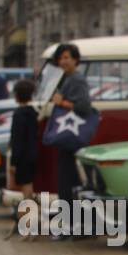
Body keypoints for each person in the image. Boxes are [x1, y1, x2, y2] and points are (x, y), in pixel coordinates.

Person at [48, 42, 92, 208]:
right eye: (60, 58)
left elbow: (84, 106)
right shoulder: (68, 78)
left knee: (68, 181)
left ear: (76, 60)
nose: (63, 62)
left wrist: (63, 103)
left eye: (66, 57)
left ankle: (72, 224)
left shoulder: (77, 80)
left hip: (72, 137)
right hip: (68, 137)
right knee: (67, 181)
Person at [8, 78, 39, 239]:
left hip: (23, 157)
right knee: (30, 189)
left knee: (26, 193)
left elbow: (17, 140)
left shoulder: (18, 114)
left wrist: (13, 162)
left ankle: (29, 226)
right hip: (33, 154)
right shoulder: (33, 113)